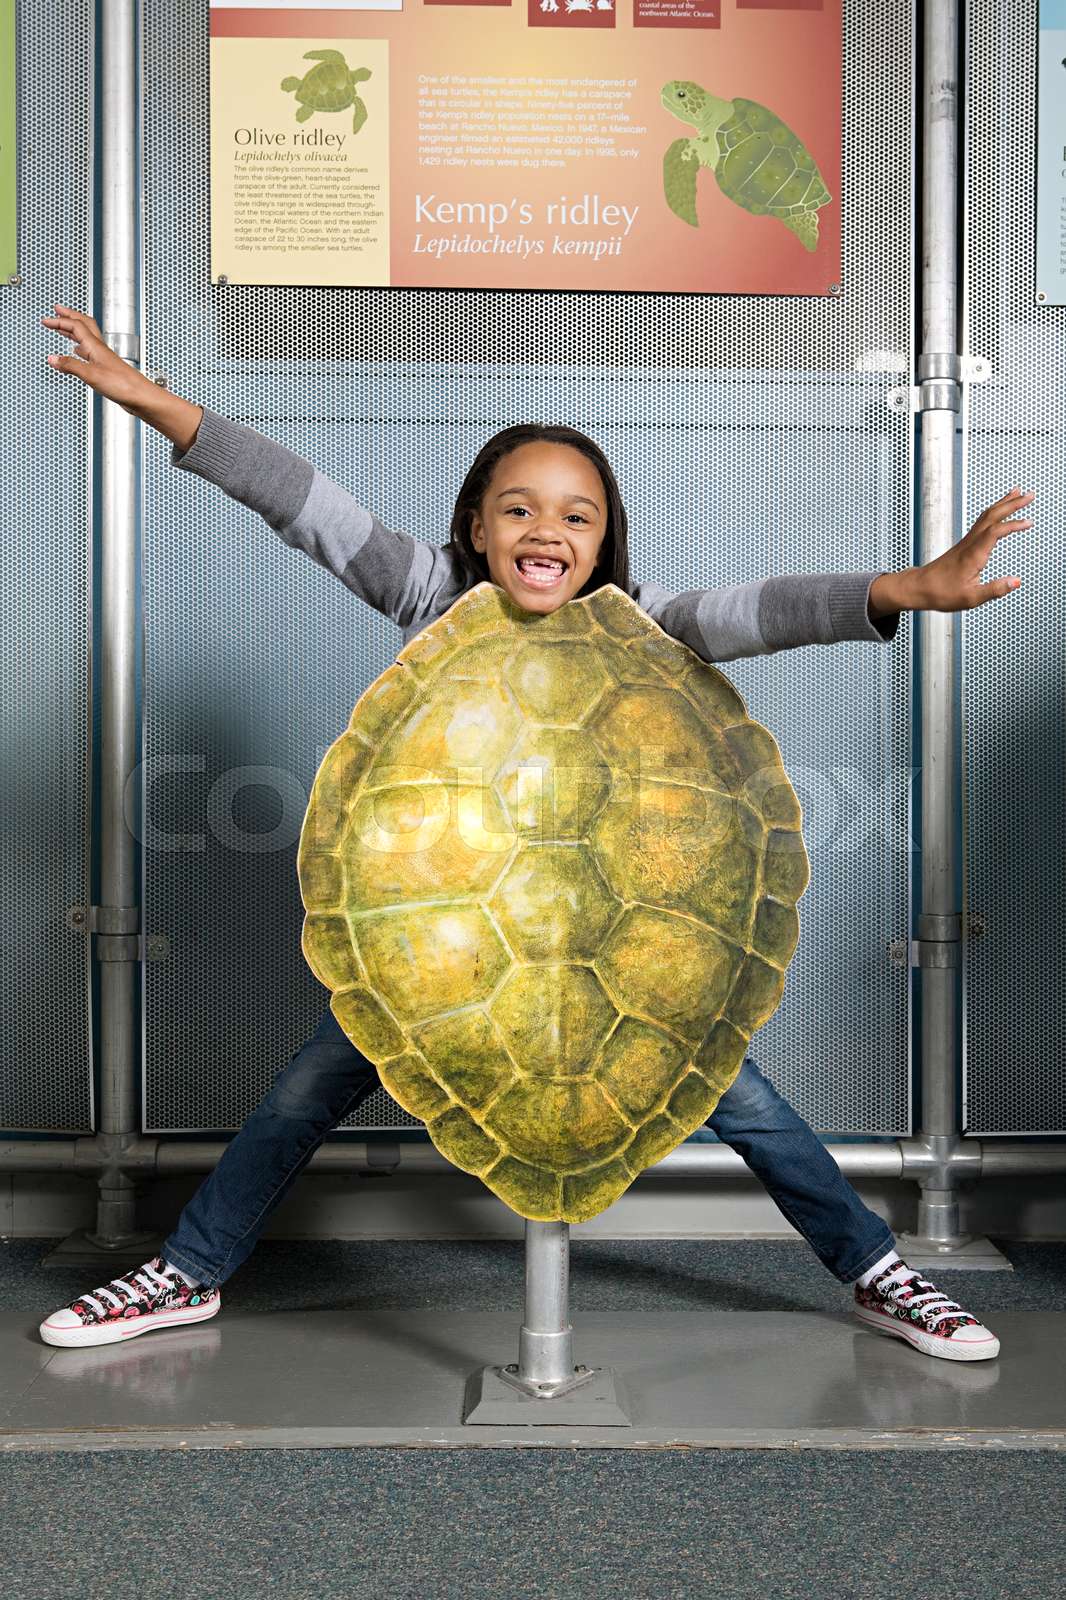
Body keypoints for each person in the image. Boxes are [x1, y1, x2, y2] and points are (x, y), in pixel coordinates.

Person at [37, 305, 1031, 1360]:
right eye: (517, 509)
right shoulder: (432, 596)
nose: (544, 532)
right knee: (303, 1093)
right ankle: (185, 1272)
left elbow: (768, 607)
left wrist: (905, 590)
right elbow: (302, 501)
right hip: (446, 956)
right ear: (475, 526)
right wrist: (162, 409)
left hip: (612, 949)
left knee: (745, 1102)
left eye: (575, 516)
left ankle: (876, 1270)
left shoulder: (649, 627)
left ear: (603, 540)